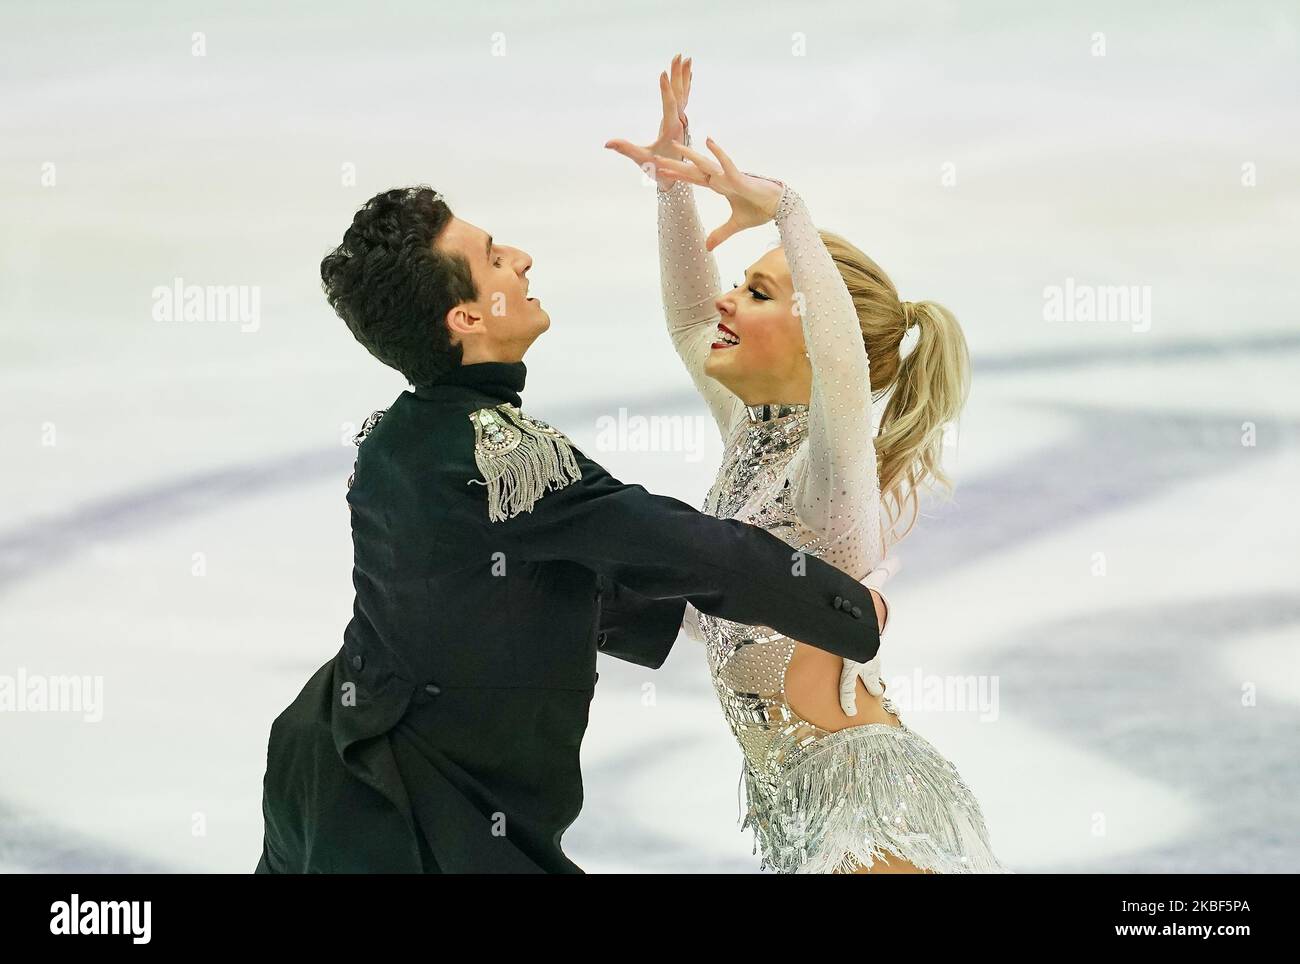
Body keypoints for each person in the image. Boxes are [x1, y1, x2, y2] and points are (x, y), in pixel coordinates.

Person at [254, 176, 896, 873]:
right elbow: (691, 551)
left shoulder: (399, 437)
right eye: (495, 258)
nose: (522, 258)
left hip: (327, 760)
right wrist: (852, 608)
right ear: (465, 318)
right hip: (410, 809)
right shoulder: (503, 457)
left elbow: (501, 590)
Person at [606, 54, 1010, 874]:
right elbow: (689, 317)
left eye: (755, 292)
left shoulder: (829, 477)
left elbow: (840, 369)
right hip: (793, 800)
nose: (726, 299)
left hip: (864, 804)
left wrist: (789, 210)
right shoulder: (755, 436)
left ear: (813, 337)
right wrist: (671, 184)